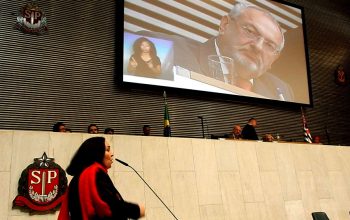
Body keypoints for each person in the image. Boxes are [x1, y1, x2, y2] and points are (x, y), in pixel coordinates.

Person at [138, 2, 293, 101]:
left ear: (274, 60)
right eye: (250, 31)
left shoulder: (282, 90)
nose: (258, 46)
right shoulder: (162, 50)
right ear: (224, 25)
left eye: (270, 45)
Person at [58, 137, 145, 220]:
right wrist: (137, 210)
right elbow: (110, 205)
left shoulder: (76, 179)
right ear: (97, 153)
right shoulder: (94, 174)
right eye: (107, 150)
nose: (112, 154)